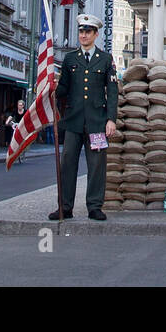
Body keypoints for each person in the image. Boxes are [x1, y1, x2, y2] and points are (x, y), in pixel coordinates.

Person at [50, 14, 118, 221]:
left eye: (88, 32)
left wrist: (111, 119)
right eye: (81, 31)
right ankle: (65, 206)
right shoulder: (70, 59)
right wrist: (50, 88)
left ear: (96, 34)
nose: (83, 35)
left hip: (97, 121)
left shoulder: (105, 59)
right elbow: (64, 88)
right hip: (73, 120)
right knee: (67, 163)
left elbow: (112, 91)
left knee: (96, 166)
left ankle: (95, 206)